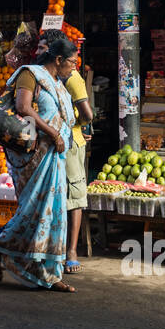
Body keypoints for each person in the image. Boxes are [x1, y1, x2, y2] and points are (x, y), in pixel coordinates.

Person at [0, 38, 78, 292]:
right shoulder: (30, 74)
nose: (74, 67)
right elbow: (23, 107)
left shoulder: (59, 83)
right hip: (33, 156)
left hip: (54, 156)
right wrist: (54, 133)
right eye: (71, 62)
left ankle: (50, 273)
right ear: (58, 60)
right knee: (32, 212)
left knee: (53, 212)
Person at [63, 58, 94, 272]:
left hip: (72, 143)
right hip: (52, 142)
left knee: (74, 196)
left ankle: (71, 251)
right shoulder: (43, 76)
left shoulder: (73, 78)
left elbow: (87, 114)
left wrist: (80, 126)